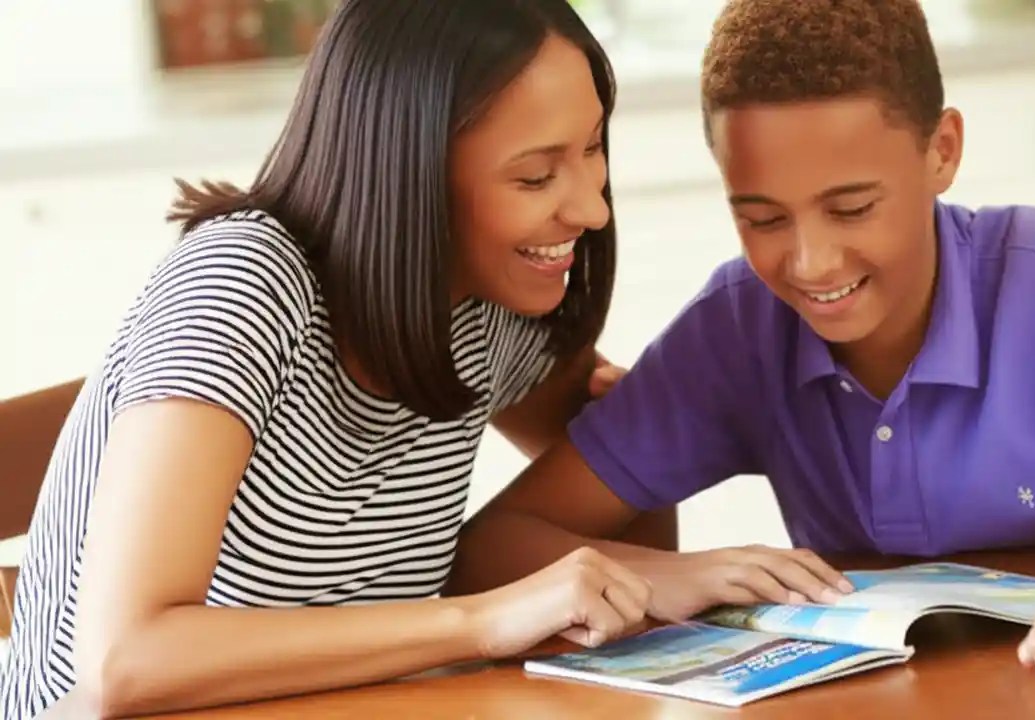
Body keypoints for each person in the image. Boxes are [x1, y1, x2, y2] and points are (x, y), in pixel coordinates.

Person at [450, 0, 1035, 684]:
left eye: (852, 208)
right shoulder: (738, 327)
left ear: (941, 151)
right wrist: (669, 574)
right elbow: (494, 549)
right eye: (762, 217)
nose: (810, 263)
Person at [0, 1, 678, 718]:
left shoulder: (489, 312)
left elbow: (626, 467)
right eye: (536, 177)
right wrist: (480, 619)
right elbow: (121, 664)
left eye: (593, 149)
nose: (593, 209)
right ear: (405, 169)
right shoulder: (242, 286)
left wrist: (665, 576)